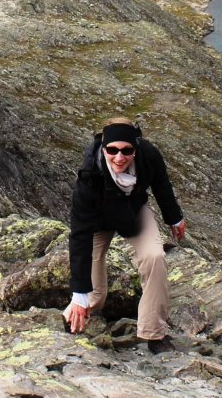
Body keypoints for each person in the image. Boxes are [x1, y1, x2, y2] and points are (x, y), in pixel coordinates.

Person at [64, 117, 187, 354]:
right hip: (98, 221)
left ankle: (154, 334)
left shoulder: (148, 155)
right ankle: (77, 316)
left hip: (133, 211)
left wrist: (174, 218)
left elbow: (162, 185)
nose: (119, 157)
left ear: (135, 148)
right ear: (104, 148)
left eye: (126, 150)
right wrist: (79, 293)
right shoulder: (89, 177)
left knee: (154, 257)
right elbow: (79, 236)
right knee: (94, 295)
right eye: (112, 150)